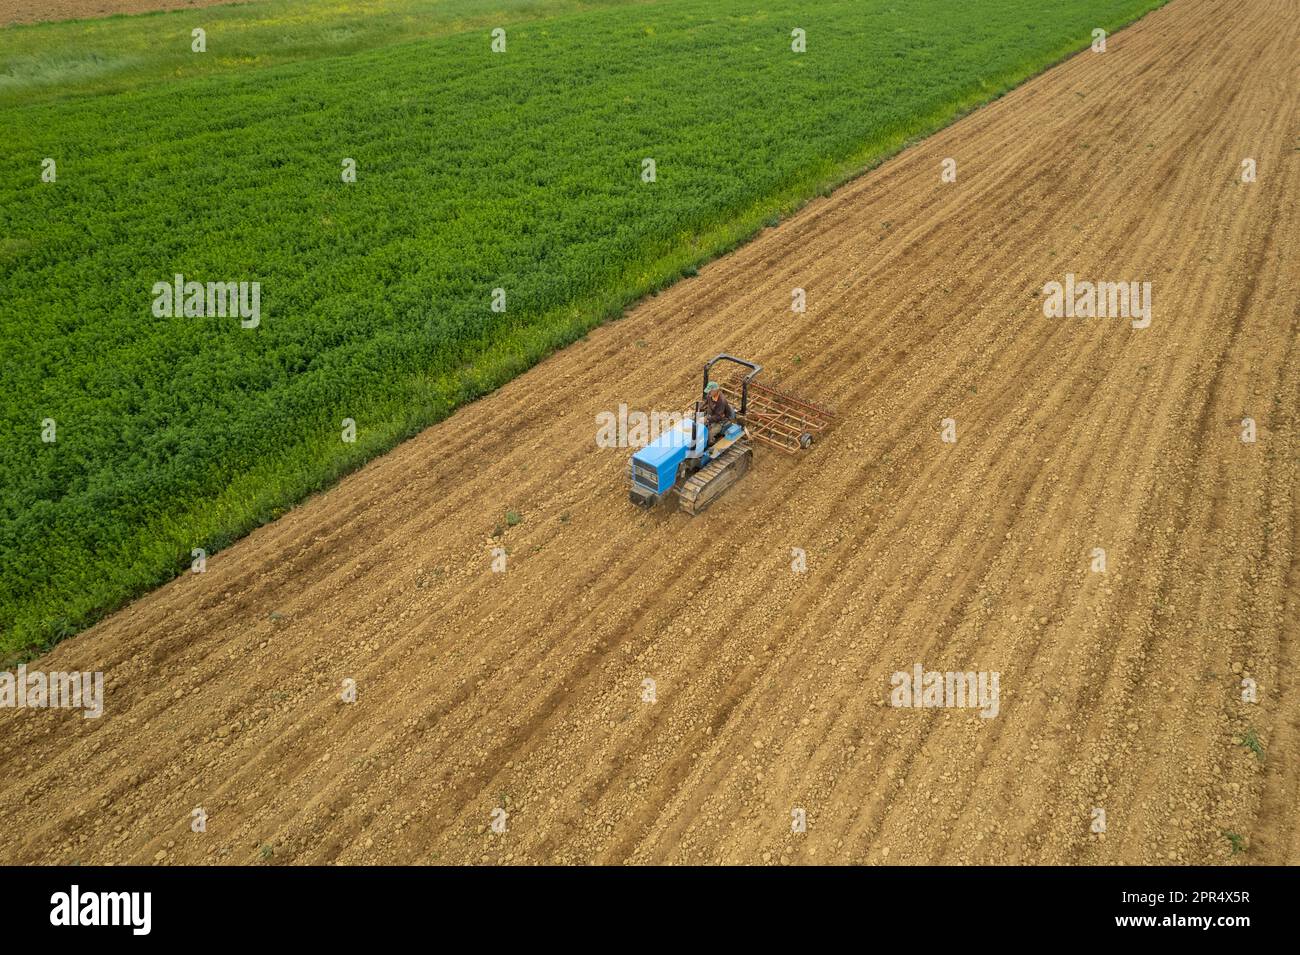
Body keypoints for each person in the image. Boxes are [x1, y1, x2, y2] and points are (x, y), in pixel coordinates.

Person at [700, 381, 735, 446]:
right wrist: (700, 408)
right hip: (711, 416)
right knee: (697, 427)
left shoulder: (721, 401)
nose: (709, 393)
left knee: (708, 435)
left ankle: (710, 445)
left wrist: (707, 419)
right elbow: (706, 402)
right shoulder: (710, 395)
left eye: (710, 391)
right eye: (709, 391)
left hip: (720, 421)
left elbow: (719, 416)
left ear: (716, 390)